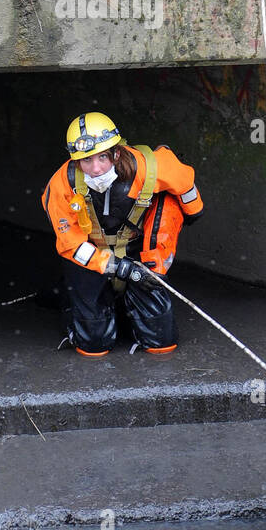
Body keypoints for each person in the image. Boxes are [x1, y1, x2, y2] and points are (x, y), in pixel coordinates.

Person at [41, 111, 203, 356]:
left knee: (161, 342)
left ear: (116, 153)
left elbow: (185, 183)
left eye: (103, 158)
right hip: (91, 255)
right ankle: (74, 297)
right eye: (86, 160)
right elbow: (71, 244)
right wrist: (116, 267)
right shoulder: (62, 184)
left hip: (138, 249)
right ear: (76, 161)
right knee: (93, 345)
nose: (95, 169)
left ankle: (128, 307)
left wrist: (193, 211)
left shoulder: (150, 167)